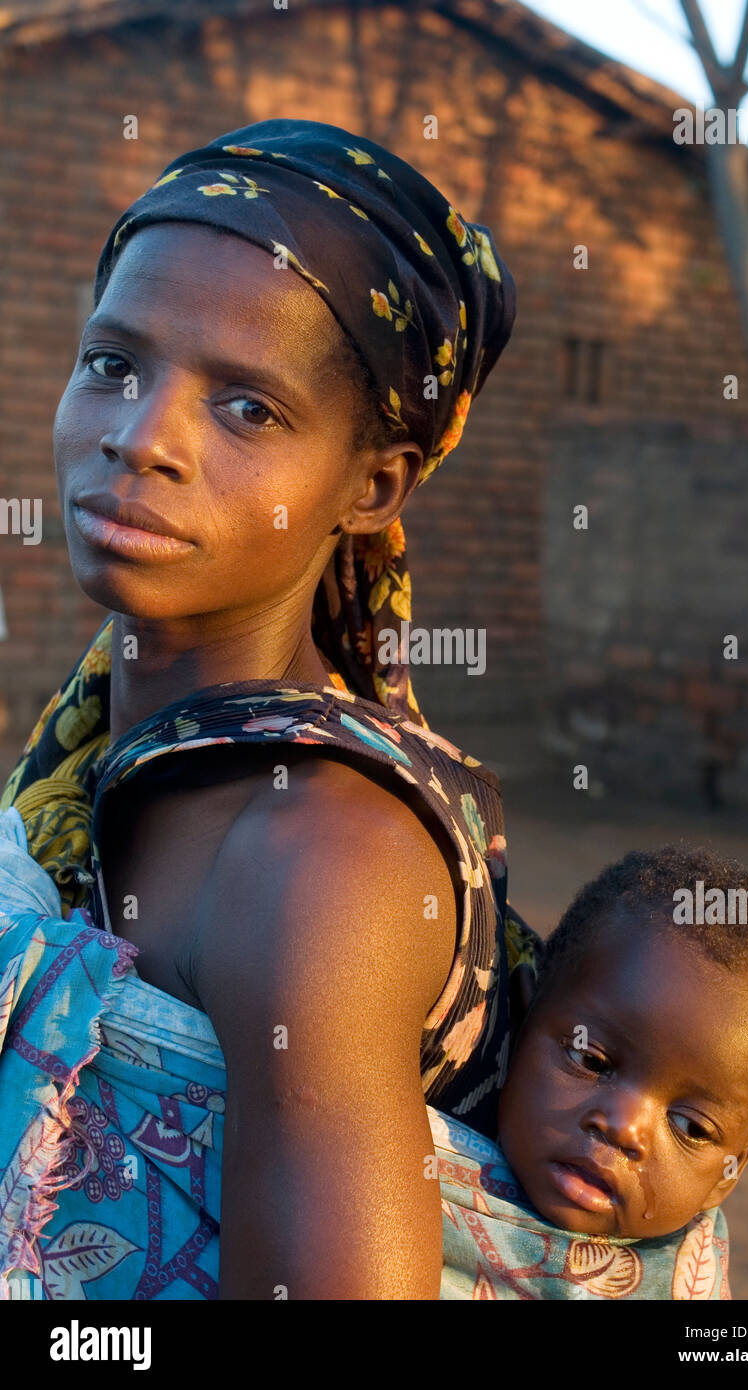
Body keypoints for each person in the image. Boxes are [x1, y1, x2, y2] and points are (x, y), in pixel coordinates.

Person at [0, 119, 540, 1301]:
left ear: (372, 483)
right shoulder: (93, 751)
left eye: (248, 408)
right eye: (113, 364)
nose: (140, 438)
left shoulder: (316, 857)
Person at [431, 846, 748, 1299]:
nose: (623, 1128)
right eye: (591, 1061)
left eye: (690, 1126)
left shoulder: (690, 1281)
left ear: (729, 1172)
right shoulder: (410, 1159)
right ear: (522, 1015)